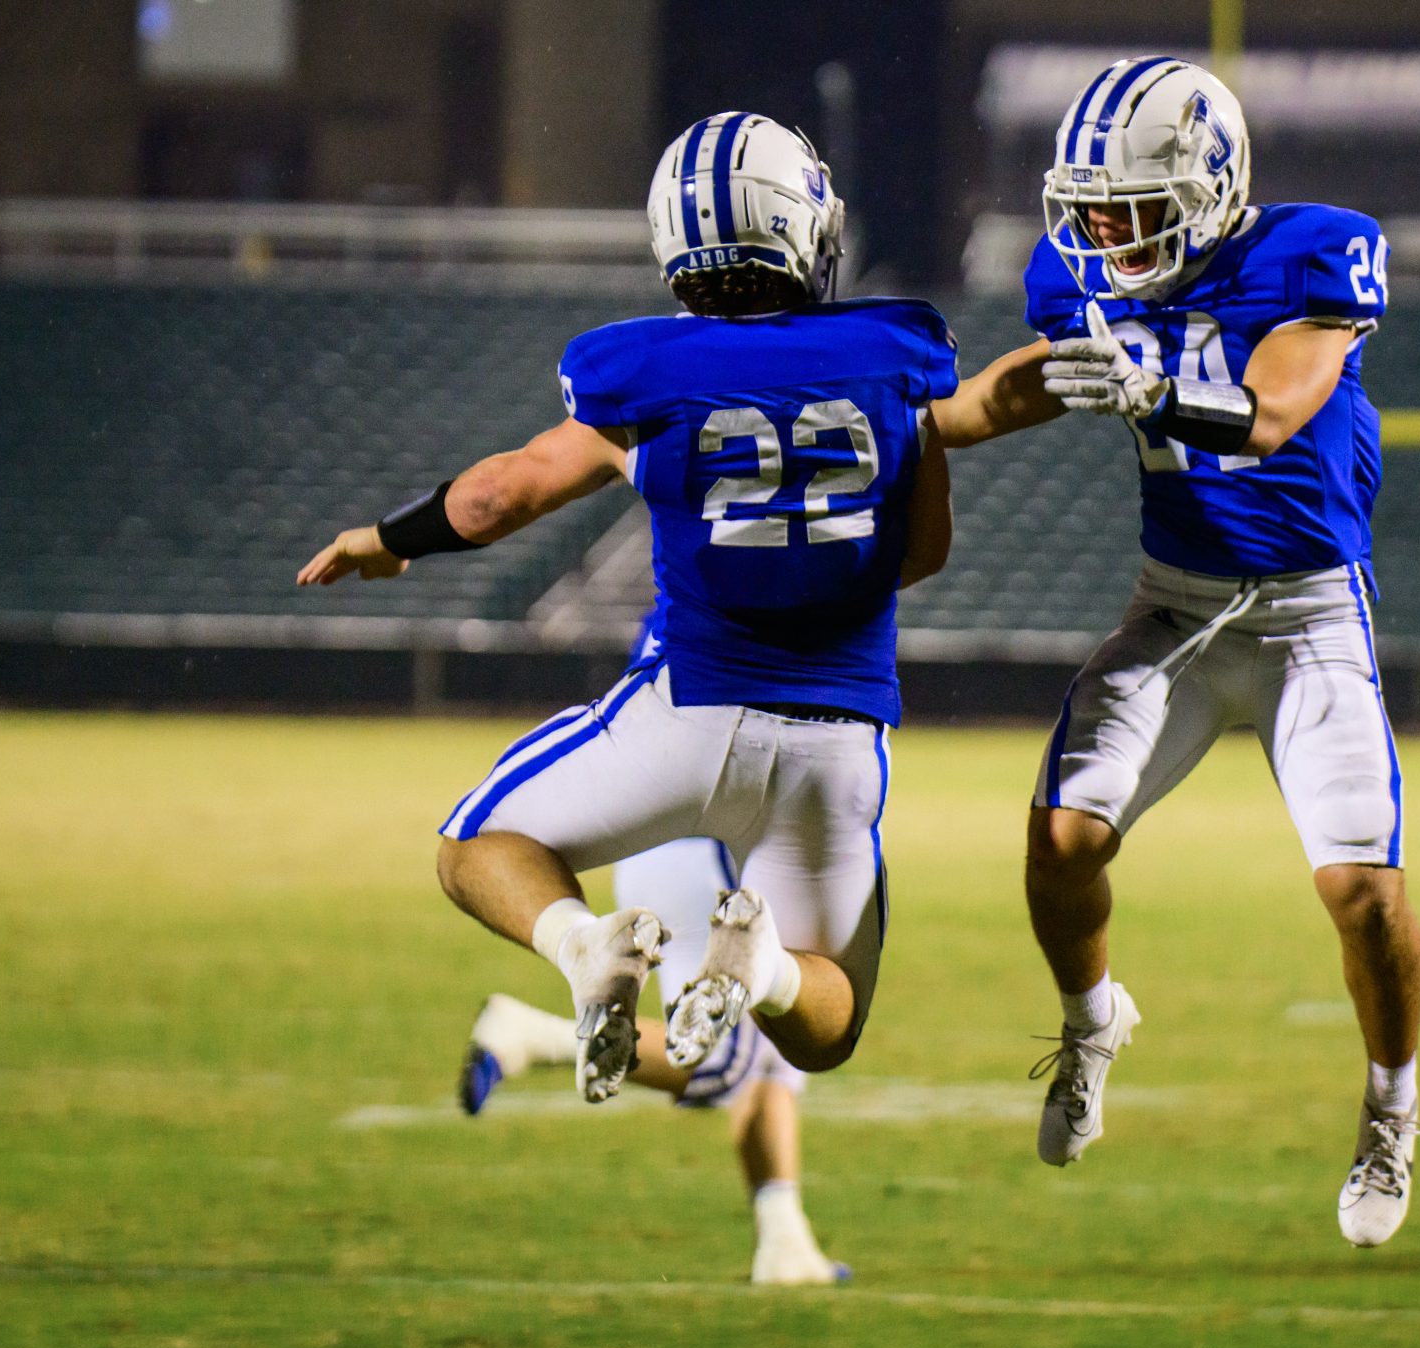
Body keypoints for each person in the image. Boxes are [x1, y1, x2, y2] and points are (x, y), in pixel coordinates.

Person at [299, 115, 956, 1140]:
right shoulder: (891, 358)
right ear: (805, 231)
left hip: (685, 714)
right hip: (837, 737)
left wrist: (391, 538)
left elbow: (502, 496)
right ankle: (767, 967)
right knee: (826, 1024)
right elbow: (922, 554)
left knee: (476, 847)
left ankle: (581, 951)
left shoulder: (646, 374)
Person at [929, 57, 1420, 1247]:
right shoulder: (1079, 275)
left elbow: (1266, 413)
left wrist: (1151, 391)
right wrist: (916, 425)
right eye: (1088, 208)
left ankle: (1390, 1110)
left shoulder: (1311, 253)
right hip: (1176, 608)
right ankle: (1092, 1018)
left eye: (1129, 208)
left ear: (1208, 188)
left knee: (1360, 894)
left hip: (1307, 612)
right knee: (1059, 843)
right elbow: (1015, 392)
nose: (1101, 231)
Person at [461, 834, 846, 1286]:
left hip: (676, 850)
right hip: (712, 851)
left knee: (774, 1042)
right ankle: (532, 1035)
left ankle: (785, 1239)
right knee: (724, 1061)